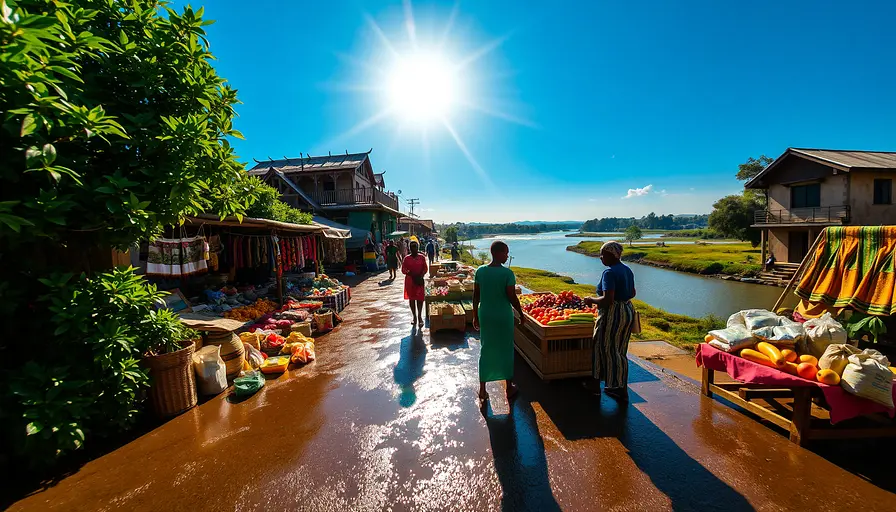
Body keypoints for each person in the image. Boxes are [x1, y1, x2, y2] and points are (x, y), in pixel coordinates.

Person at [583, 241, 636, 403]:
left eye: (603, 254)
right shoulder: (627, 270)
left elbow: (607, 300)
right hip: (627, 311)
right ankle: (620, 387)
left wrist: (590, 299)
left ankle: (605, 386)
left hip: (613, 314)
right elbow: (633, 293)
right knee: (619, 349)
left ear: (612, 255)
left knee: (602, 345)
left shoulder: (609, 273)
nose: (600, 257)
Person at [472, 241, 526, 402]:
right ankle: (509, 388)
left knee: (486, 347)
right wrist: (521, 313)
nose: (507, 256)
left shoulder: (480, 271)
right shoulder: (508, 274)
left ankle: (483, 389)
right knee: (505, 348)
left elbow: (476, 296)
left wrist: (475, 315)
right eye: (505, 253)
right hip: (503, 315)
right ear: (497, 253)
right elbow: (512, 297)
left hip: (486, 314)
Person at [402, 240, 428, 326]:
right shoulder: (406, 258)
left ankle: (420, 316)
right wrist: (411, 274)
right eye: (412, 246)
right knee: (412, 299)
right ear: (409, 248)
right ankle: (414, 317)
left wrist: (421, 275)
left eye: (415, 246)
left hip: (419, 280)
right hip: (410, 281)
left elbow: (425, 268)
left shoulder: (422, 257)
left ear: (418, 247)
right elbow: (403, 269)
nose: (414, 248)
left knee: (420, 299)